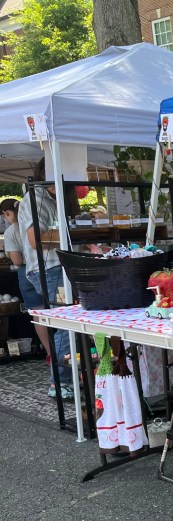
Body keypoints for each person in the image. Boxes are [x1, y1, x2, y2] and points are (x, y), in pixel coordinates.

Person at [18, 160, 73, 399]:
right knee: (64, 324)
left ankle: (66, 379)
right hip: (50, 269)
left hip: (58, 267)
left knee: (67, 323)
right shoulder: (35, 199)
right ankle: (60, 383)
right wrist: (74, 233)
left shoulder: (54, 198)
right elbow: (34, 239)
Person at [2, 198, 54, 362]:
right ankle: (66, 351)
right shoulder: (33, 225)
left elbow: (16, 261)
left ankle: (49, 353)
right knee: (57, 311)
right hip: (47, 267)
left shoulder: (11, 232)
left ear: (6, 213)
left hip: (26, 273)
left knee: (38, 314)